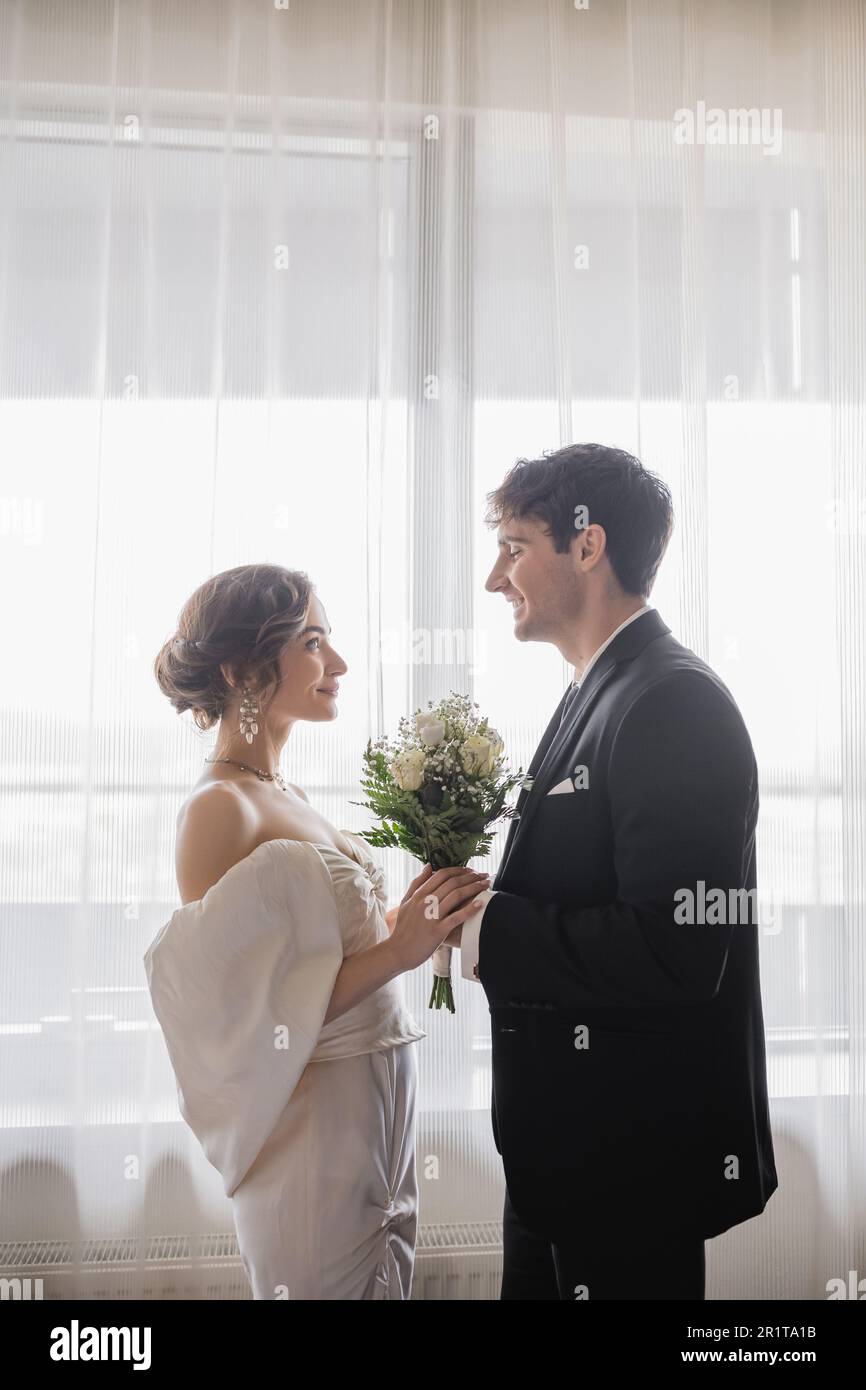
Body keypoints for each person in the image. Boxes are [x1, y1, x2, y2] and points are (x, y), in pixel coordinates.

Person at [453, 442, 779, 1300]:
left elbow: (676, 950)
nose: (495, 578)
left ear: (587, 546)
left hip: (628, 1173)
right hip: (563, 1166)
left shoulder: (674, 701)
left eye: (514, 548)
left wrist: (490, 926)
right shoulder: (594, 688)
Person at [144, 563, 490, 1299]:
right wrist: (399, 951)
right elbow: (235, 1008)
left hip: (374, 1112)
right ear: (241, 669)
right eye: (313, 642)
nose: (337, 664)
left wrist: (422, 914)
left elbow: (317, 961)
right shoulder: (218, 811)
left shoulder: (286, 793)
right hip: (311, 1127)